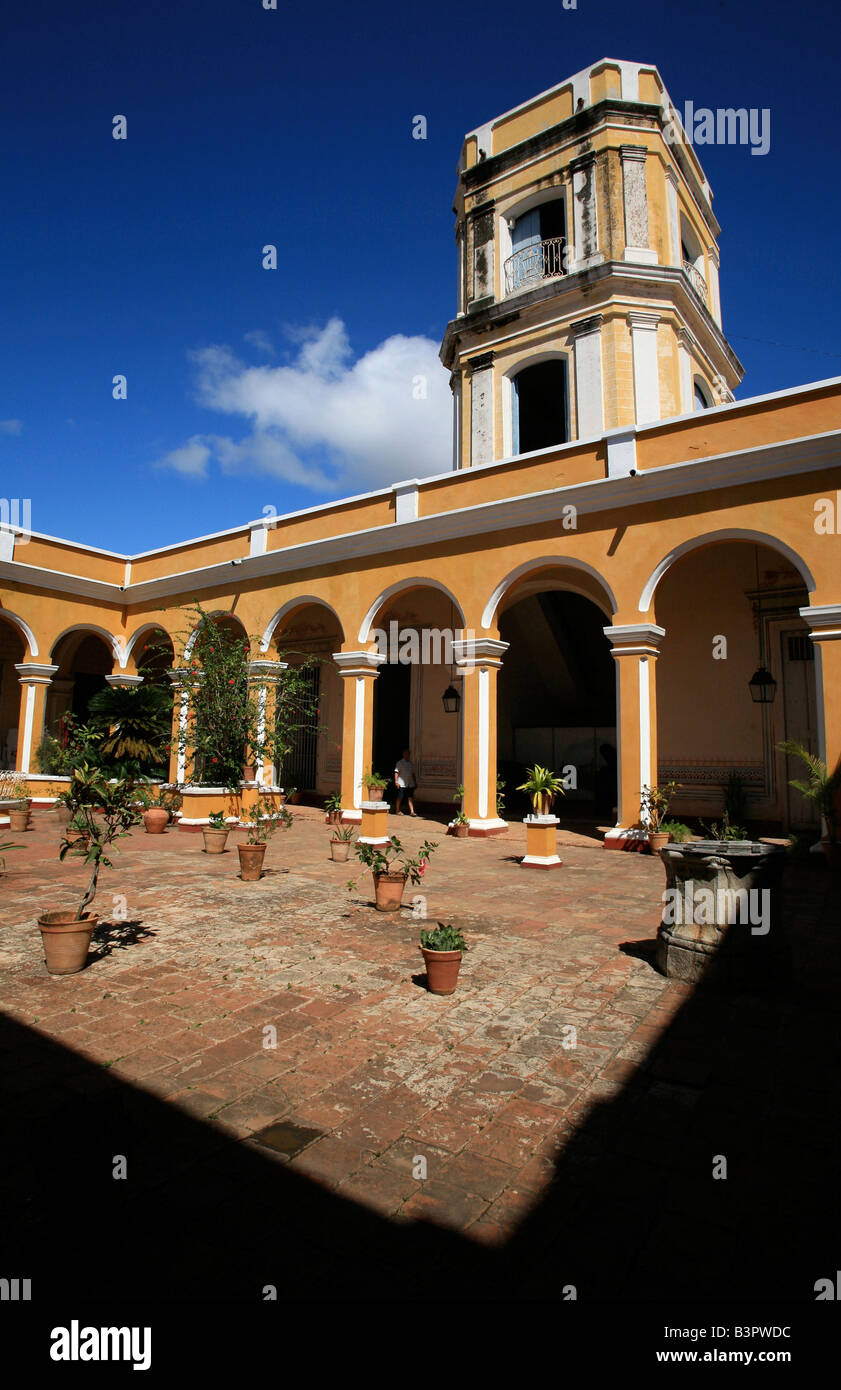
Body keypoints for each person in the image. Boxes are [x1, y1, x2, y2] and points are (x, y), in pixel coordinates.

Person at [394, 748, 417, 816]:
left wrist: (415, 782)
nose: (407, 755)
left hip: (410, 783)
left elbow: (413, 774)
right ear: (403, 755)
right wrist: (396, 781)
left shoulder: (410, 764)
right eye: (406, 754)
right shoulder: (400, 763)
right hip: (401, 783)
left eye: (408, 754)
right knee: (400, 797)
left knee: (410, 797)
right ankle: (397, 810)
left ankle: (412, 812)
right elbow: (396, 772)